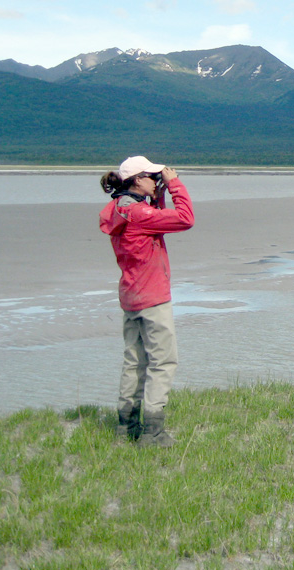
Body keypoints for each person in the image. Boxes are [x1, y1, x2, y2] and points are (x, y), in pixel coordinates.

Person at [99, 155, 194, 447]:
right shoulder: (139, 213)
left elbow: (156, 224)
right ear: (137, 180)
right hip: (152, 296)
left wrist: (158, 196)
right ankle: (153, 432)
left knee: (134, 361)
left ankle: (126, 427)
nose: (156, 181)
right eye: (151, 177)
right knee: (163, 361)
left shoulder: (120, 209)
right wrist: (174, 186)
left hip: (131, 296)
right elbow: (184, 219)